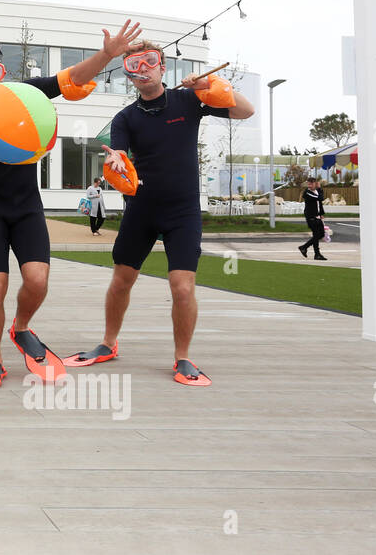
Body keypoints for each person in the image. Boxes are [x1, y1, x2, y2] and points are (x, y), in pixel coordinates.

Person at [0, 20, 140, 387]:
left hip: (27, 207)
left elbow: (69, 79)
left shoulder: (24, 93)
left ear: (4, 75)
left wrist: (106, 54)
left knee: (37, 281)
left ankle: (21, 326)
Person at [69, 41, 255, 386]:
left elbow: (246, 111)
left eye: (148, 62)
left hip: (183, 211)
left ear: (162, 67)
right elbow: (119, 155)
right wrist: (115, 161)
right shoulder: (125, 117)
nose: (141, 71)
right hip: (142, 207)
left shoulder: (190, 100)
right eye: (133, 66)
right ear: (128, 75)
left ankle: (182, 358)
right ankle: (108, 343)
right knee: (121, 280)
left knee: (182, 287)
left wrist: (208, 87)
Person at [299, 176, 327, 260]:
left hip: (318, 216)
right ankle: (316, 254)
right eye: (308, 184)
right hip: (311, 217)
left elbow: (319, 203)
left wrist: (321, 213)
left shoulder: (316, 191)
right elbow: (320, 198)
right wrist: (319, 189)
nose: (309, 186)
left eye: (311, 184)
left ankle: (305, 247)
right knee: (316, 235)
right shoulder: (307, 193)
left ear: (315, 183)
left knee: (321, 234)